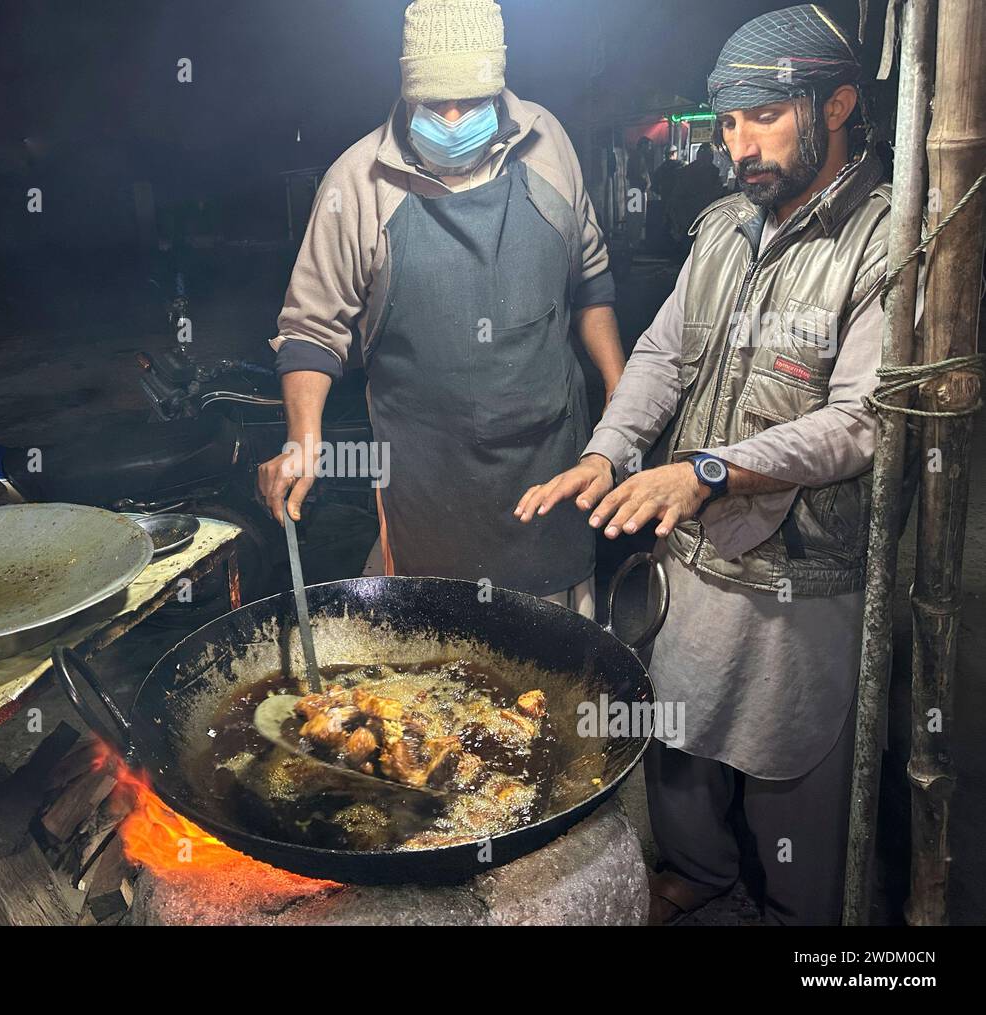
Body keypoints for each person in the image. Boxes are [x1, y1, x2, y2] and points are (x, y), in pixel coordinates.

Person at [516, 4, 910, 924]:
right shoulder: (725, 229)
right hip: (694, 561)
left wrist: (706, 471)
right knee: (682, 740)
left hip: (801, 581)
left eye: (764, 117)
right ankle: (701, 878)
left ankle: (793, 917)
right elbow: (660, 356)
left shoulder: (886, 241)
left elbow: (860, 424)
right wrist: (607, 452)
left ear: (839, 104)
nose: (741, 144)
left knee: (791, 772)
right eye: (728, 122)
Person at [258, 0, 625, 615]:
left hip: (552, 460)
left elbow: (591, 280)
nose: (453, 121)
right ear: (406, 92)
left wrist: (617, 387)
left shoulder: (550, 147)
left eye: (471, 104)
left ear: (499, 87)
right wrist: (303, 437)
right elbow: (310, 330)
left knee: (558, 656)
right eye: (435, 106)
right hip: (427, 476)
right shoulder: (357, 182)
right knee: (435, 658)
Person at [666, 143, 726, 257]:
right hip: (699, 215)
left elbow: (675, 195)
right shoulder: (712, 172)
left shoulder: (687, 171)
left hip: (691, 215)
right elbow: (717, 193)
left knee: (689, 248)